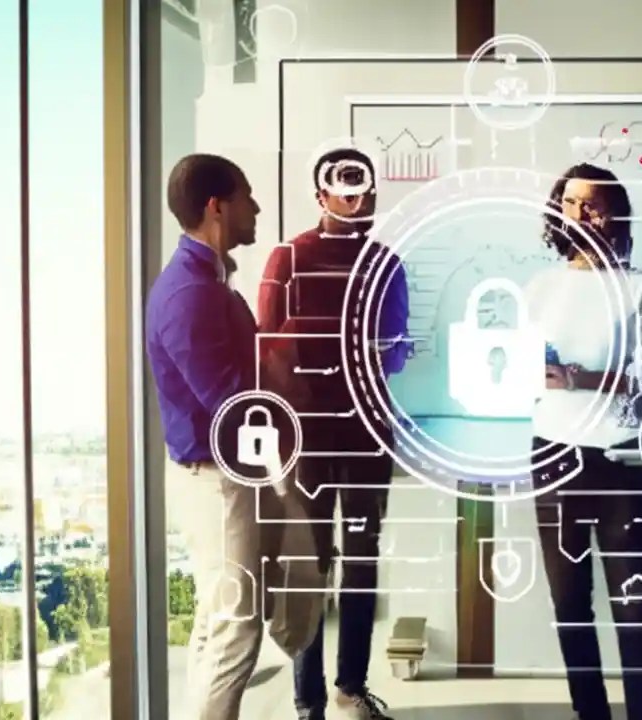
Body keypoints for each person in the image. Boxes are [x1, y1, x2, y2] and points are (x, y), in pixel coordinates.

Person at [146, 153, 324, 719]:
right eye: (247, 196)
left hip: (228, 478)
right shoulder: (190, 295)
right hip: (221, 484)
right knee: (235, 635)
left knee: (218, 625)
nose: (258, 208)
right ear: (215, 207)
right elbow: (232, 409)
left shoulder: (207, 284)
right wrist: (284, 389)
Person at [258, 148, 411, 720]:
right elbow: (266, 348)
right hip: (306, 437)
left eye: (367, 190)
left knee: (362, 557)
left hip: (368, 431)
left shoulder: (385, 262)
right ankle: (308, 700)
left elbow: (394, 355)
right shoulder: (287, 258)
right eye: (348, 188)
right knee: (310, 562)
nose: (361, 199)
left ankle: (349, 688)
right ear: (320, 194)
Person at [523, 163, 642, 720]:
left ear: (616, 215)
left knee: (632, 605)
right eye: (571, 203)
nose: (581, 214)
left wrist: (582, 378)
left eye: (594, 204)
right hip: (551, 454)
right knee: (569, 605)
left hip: (617, 458)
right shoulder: (539, 288)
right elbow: (523, 378)